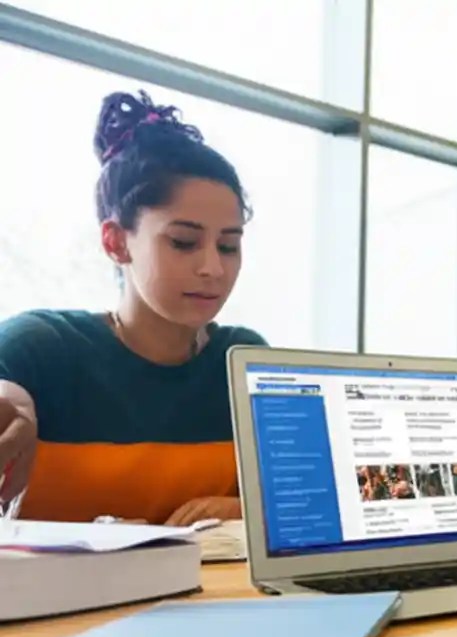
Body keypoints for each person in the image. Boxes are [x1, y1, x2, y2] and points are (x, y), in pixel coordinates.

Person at [0, 90, 266, 526]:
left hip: (212, 594)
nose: (213, 268)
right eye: (183, 242)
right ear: (115, 241)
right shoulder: (40, 348)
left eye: (228, 245)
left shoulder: (244, 361)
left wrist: (251, 511)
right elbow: (7, 398)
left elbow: (305, 496)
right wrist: (15, 409)